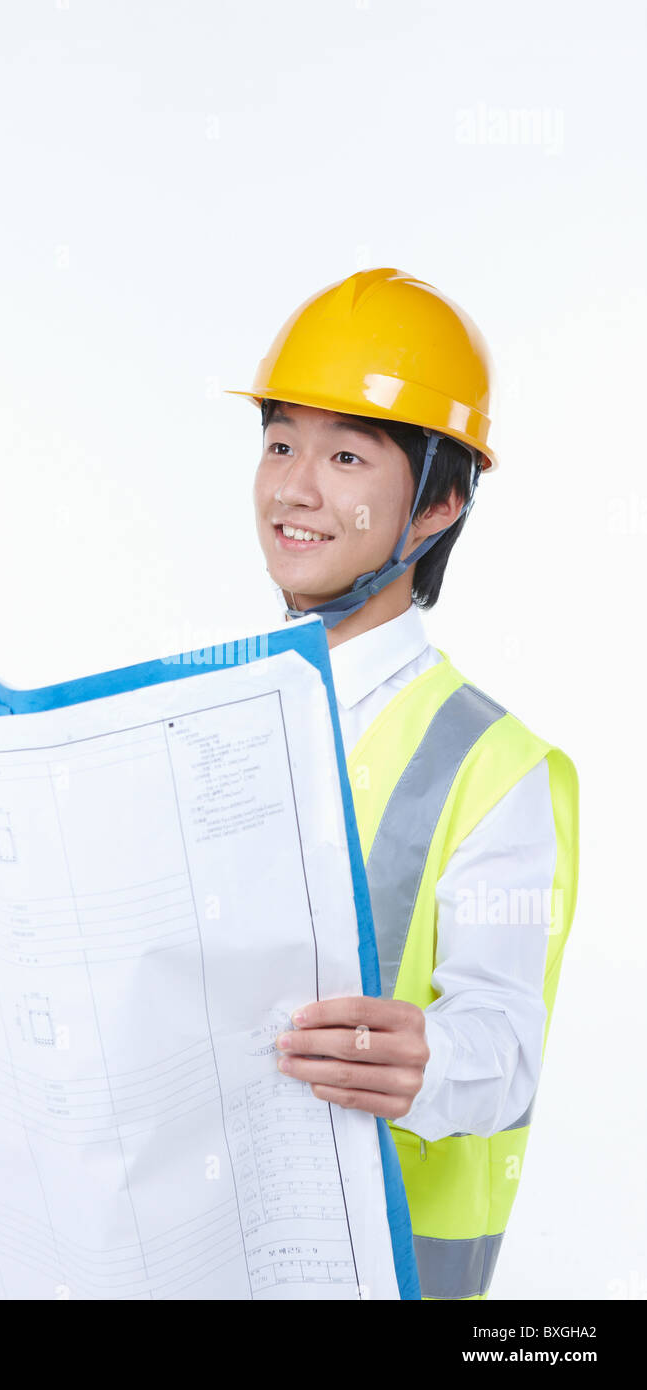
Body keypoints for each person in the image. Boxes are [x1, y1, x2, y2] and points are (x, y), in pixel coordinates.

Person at [226, 267, 579, 1301]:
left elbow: (504, 1041)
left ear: (436, 503)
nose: (293, 487)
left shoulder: (491, 764)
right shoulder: (205, 713)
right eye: (280, 442)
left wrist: (427, 1061)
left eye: (344, 455)